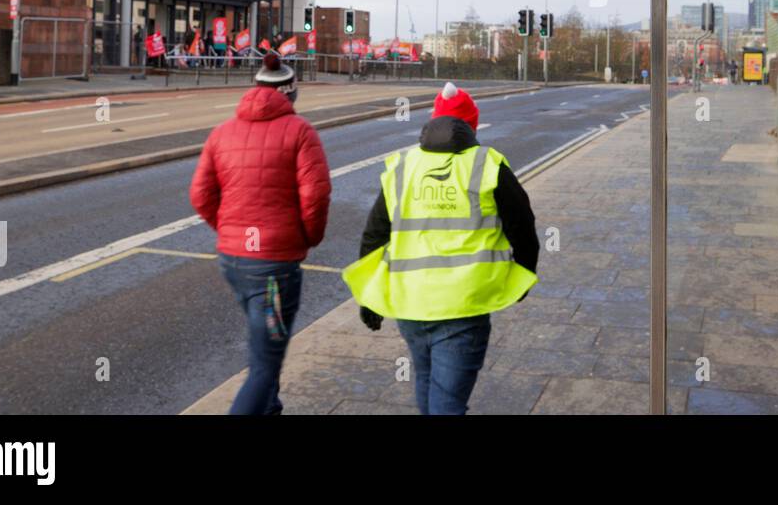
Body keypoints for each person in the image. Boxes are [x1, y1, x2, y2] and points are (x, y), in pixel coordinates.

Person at [343, 82, 538, 415]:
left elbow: (374, 236)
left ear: (432, 121)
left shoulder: (402, 167)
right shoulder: (487, 163)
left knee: (426, 382)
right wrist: (523, 277)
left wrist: (369, 297)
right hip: (463, 306)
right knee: (447, 402)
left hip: (411, 304)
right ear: (472, 125)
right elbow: (523, 227)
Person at [189, 51, 331, 414]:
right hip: (274, 266)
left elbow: (200, 194)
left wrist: (229, 230)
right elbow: (315, 194)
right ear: (291, 93)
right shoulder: (300, 131)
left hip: (234, 261)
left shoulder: (222, 132)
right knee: (265, 366)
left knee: (264, 347)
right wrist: (307, 238)